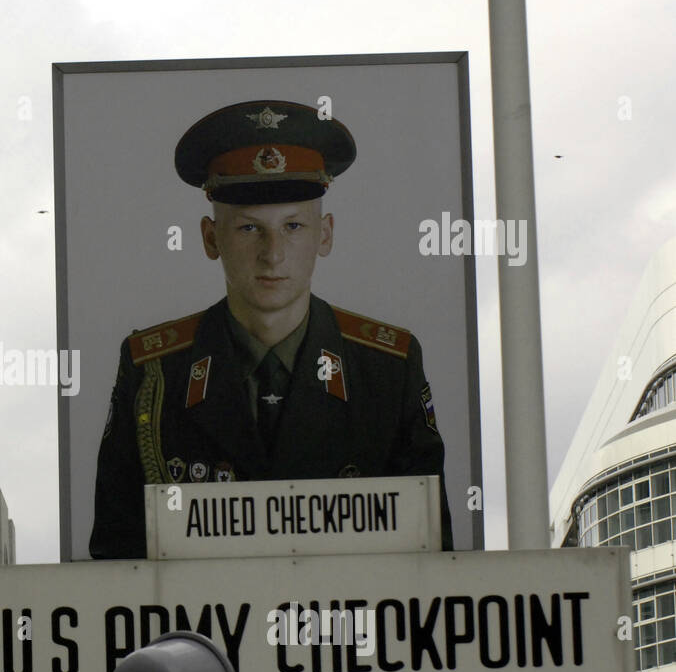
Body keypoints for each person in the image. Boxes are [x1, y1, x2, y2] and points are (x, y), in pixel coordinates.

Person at [89, 99, 453, 559]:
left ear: (325, 236)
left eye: (294, 226)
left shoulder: (387, 368)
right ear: (209, 238)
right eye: (248, 229)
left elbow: (435, 566)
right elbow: (114, 568)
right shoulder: (153, 372)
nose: (273, 254)